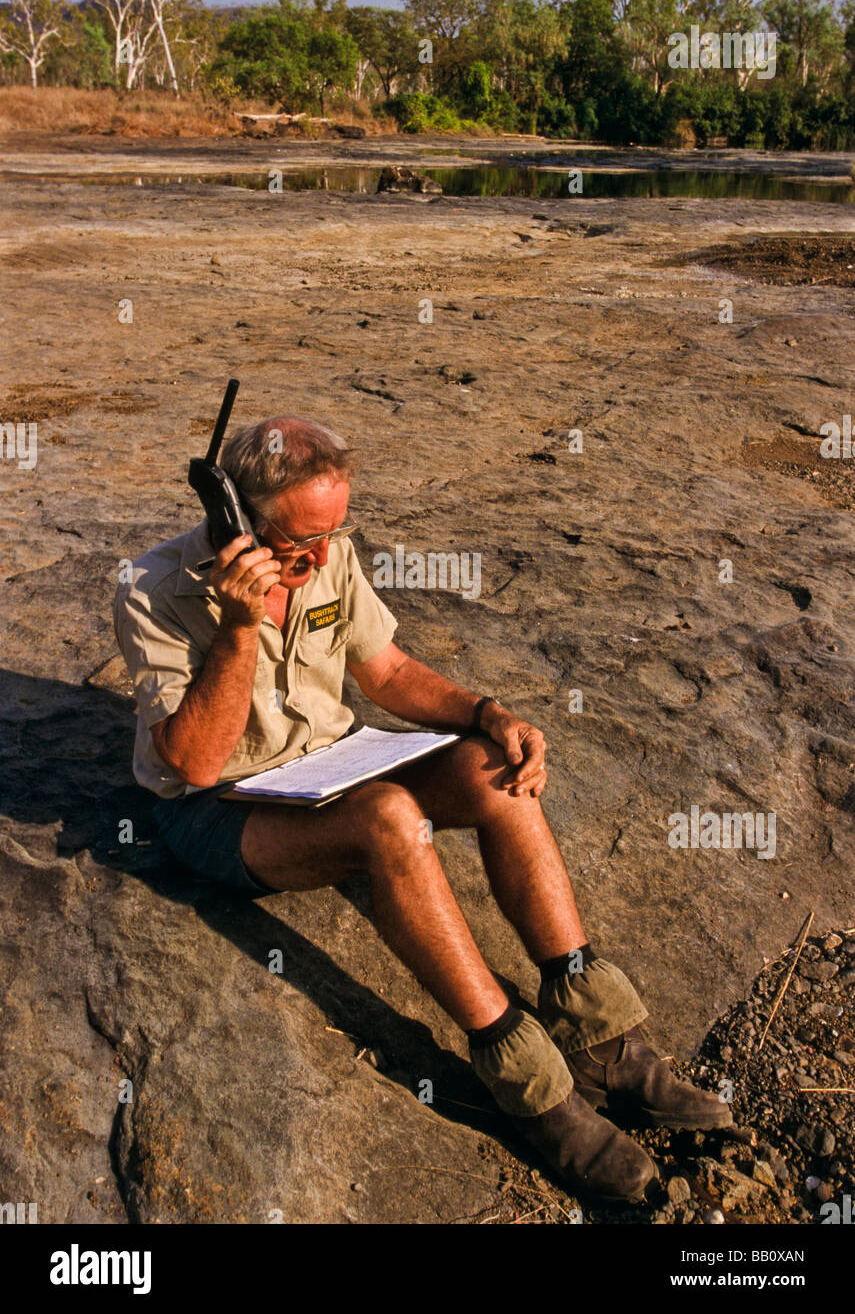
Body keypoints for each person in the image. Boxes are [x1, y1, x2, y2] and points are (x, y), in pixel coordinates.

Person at [113, 415, 731, 1205]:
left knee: (491, 769)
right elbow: (193, 760)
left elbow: (388, 670)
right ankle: (529, 1084)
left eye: (336, 531)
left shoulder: (325, 554)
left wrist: (485, 712)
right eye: (301, 541)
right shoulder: (151, 589)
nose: (323, 555)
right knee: (388, 819)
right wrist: (237, 630)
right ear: (235, 518)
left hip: (327, 772)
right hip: (220, 809)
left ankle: (600, 1031)